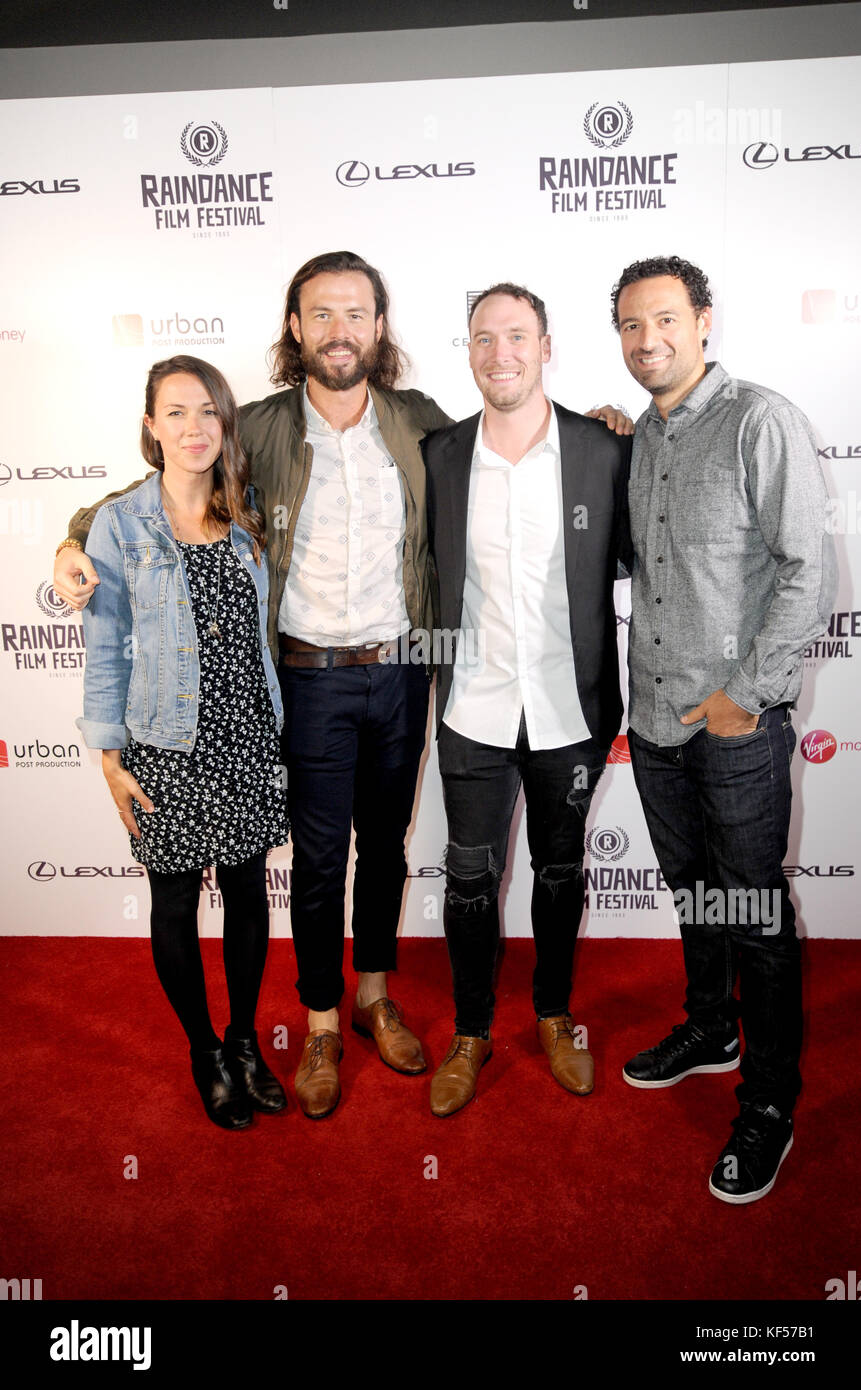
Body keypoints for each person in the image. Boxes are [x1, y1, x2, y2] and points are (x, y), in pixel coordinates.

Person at [56, 251, 628, 1121]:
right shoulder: (255, 426)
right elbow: (162, 483)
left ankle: (372, 997)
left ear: (379, 327)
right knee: (320, 860)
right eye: (320, 315)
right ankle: (319, 1021)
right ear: (295, 329)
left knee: (388, 849)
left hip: (400, 670)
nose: (338, 331)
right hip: (306, 676)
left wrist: (604, 431)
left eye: (354, 314)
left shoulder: (420, 422)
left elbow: (516, 436)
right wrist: (72, 535)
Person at [611, 255, 837, 1202]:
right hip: (656, 715)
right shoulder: (639, 438)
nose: (646, 339)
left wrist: (747, 691)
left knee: (750, 907)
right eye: (629, 325)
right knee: (693, 889)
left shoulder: (760, 420)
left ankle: (770, 1102)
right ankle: (712, 1025)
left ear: (703, 321)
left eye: (664, 318)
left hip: (733, 724)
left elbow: (804, 569)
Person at [422, 284, 632, 1116]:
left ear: (545, 346)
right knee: (468, 878)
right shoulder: (437, 452)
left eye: (516, 336)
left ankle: (553, 1015)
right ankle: (470, 1031)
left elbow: (635, 556)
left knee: (560, 869)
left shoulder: (602, 449)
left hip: (568, 709)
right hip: (471, 707)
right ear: (467, 351)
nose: (498, 352)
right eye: (482, 337)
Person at [75, 355, 289, 1130]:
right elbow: (106, 648)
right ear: (150, 426)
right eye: (175, 413)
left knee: (245, 892)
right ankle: (203, 1050)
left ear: (225, 423)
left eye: (207, 412)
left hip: (246, 735)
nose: (194, 428)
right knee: (173, 898)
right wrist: (108, 758)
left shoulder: (250, 512)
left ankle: (243, 1041)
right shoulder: (119, 524)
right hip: (165, 742)